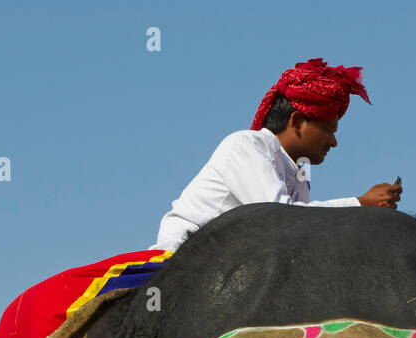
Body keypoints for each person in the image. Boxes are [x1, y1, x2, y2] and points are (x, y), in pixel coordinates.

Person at [151, 58, 402, 251]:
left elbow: (301, 228)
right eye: (328, 130)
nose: (334, 142)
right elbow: (280, 219)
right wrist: (359, 205)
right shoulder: (246, 145)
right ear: (297, 121)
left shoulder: (299, 170)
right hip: (182, 258)